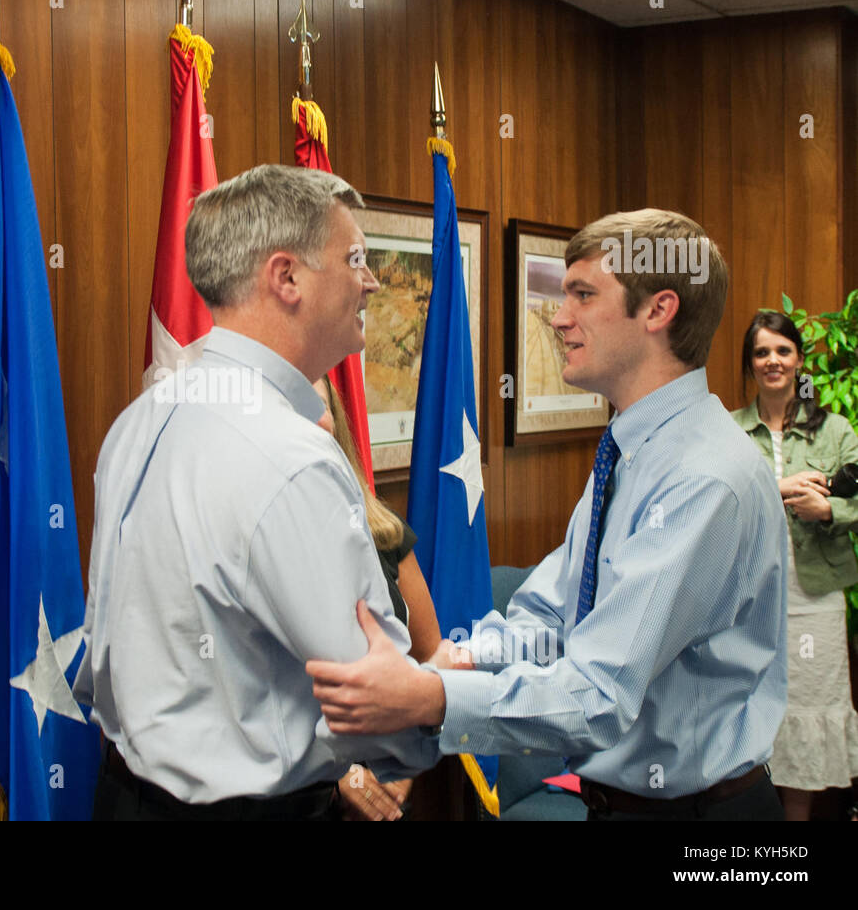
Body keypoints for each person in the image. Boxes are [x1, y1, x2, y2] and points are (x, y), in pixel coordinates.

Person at [308, 208, 790, 821]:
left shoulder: (702, 479)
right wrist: (459, 658)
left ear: (658, 311)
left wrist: (428, 696)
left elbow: (597, 695)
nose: (558, 317)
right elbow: (553, 616)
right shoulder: (631, 447)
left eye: (583, 295)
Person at [74, 164, 443, 820]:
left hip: (125, 794)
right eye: (355, 258)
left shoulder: (139, 420)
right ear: (287, 277)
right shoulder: (294, 455)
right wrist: (436, 721)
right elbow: (378, 708)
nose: (372, 280)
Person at [731, 311, 858, 820]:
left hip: (815, 598)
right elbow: (719, 501)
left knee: (805, 706)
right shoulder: (729, 430)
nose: (773, 361)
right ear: (750, 364)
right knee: (753, 705)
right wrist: (776, 488)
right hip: (748, 598)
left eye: (782, 351)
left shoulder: (836, 430)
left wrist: (829, 510)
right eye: (762, 353)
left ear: (800, 360)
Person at [313, 376, 443, 820]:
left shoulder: (384, 533)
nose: (310, 421)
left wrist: (403, 758)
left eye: (319, 406)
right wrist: (335, 773)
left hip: (388, 792)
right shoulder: (254, 543)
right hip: (298, 795)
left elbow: (432, 658)